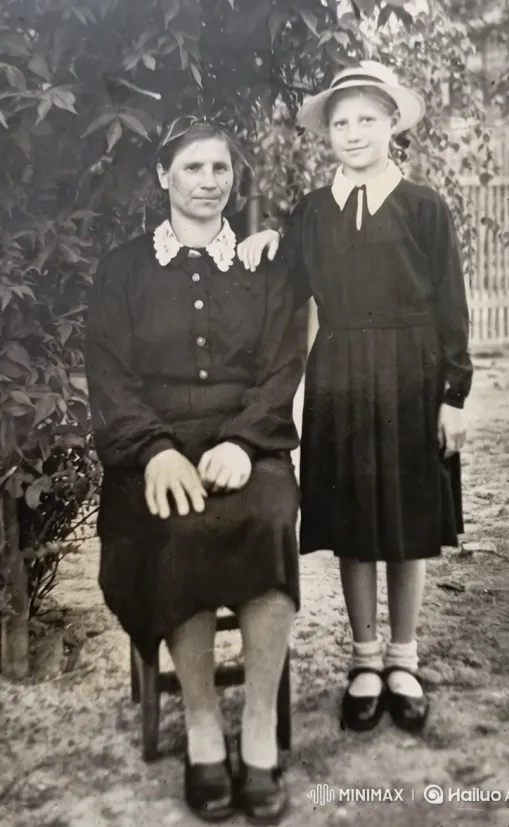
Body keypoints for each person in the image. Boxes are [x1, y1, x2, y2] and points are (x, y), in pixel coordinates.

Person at [238, 62, 473, 735]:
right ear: (327, 134)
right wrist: (263, 240)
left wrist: (453, 394)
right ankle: (364, 659)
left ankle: (404, 655)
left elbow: (452, 307)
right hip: (340, 372)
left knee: (407, 519)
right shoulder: (313, 211)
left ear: (392, 124)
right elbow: (285, 277)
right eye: (341, 122)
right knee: (355, 522)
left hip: (413, 375)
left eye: (367, 119)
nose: (353, 132)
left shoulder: (425, 206)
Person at [85, 116, 304, 824]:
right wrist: (153, 450)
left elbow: (282, 367)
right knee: (174, 525)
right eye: (192, 169)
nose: (208, 183)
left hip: (249, 442)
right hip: (154, 447)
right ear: (162, 177)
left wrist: (244, 441)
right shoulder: (122, 269)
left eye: (220, 170)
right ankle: (205, 728)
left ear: (233, 178)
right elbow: (110, 378)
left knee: (271, 516)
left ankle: (260, 730)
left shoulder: (262, 264)